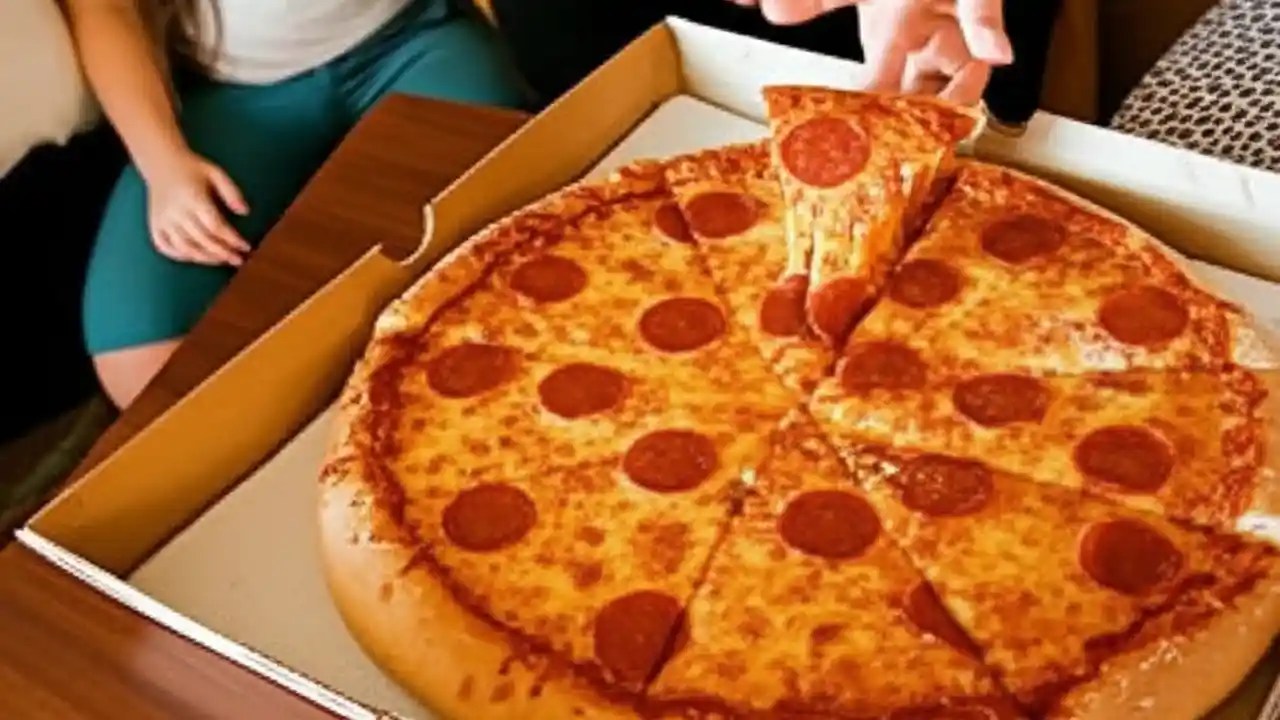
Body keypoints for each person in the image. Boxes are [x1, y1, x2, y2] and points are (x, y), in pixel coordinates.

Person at [65, 0, 527, 409]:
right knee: (143, 363)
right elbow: (105, 9)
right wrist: (164, 163)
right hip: (232, 93)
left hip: (417, 41)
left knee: (487, 248)